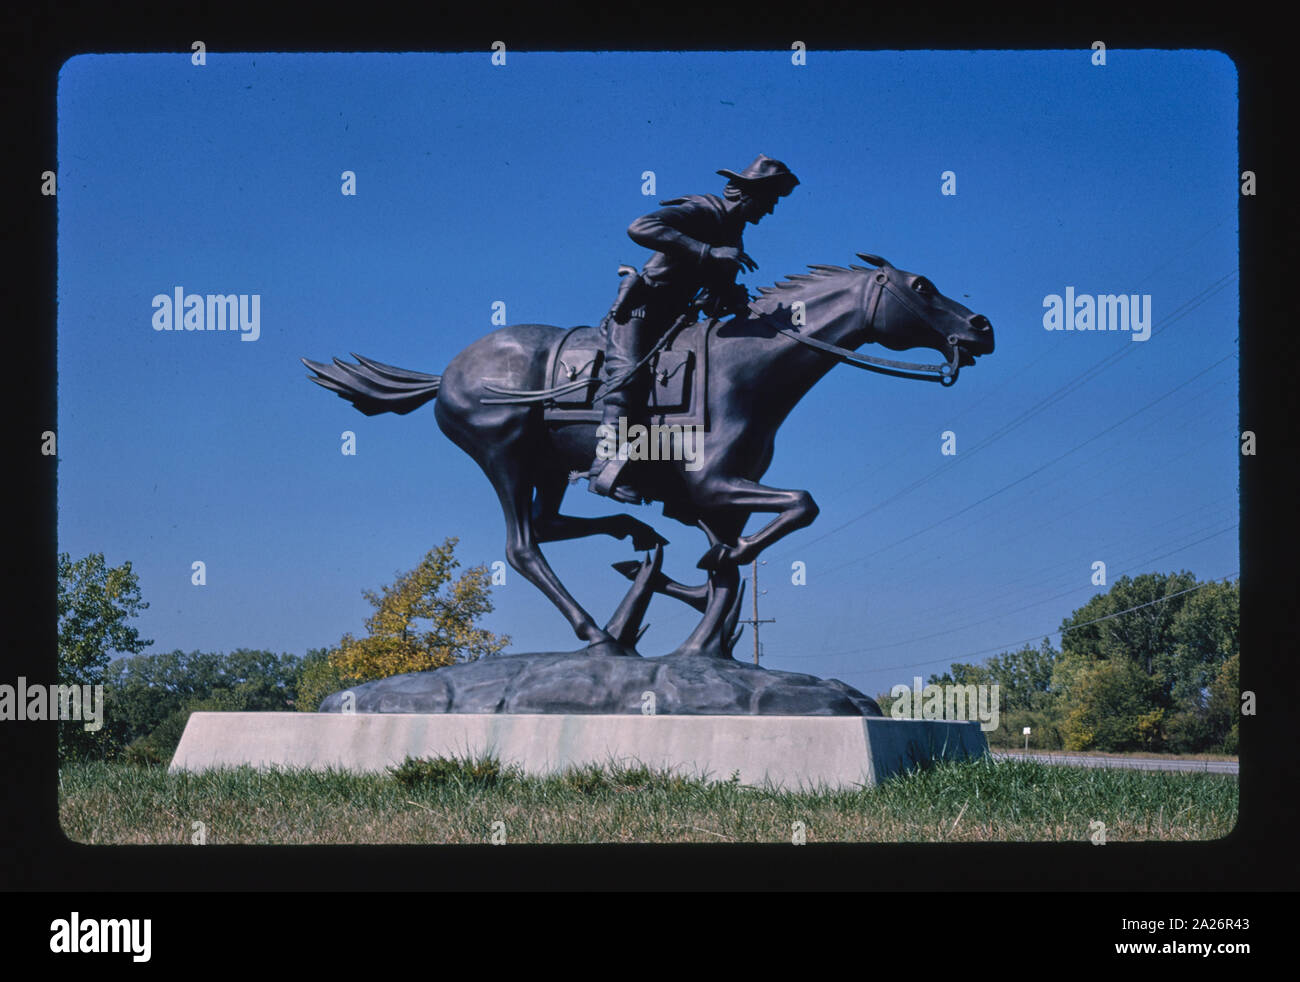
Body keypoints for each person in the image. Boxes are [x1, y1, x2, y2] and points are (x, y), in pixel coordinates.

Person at [588, 154, 799, 503]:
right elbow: (639, 227)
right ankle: (603, 465)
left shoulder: (735, 236)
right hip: (642, 309)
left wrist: (731, 298)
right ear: (746, 194)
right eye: (769, 200)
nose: (770, 211)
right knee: (628, 376)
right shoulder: (702, 210)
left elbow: (714, 296)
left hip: (677, 322)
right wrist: (706, 251)